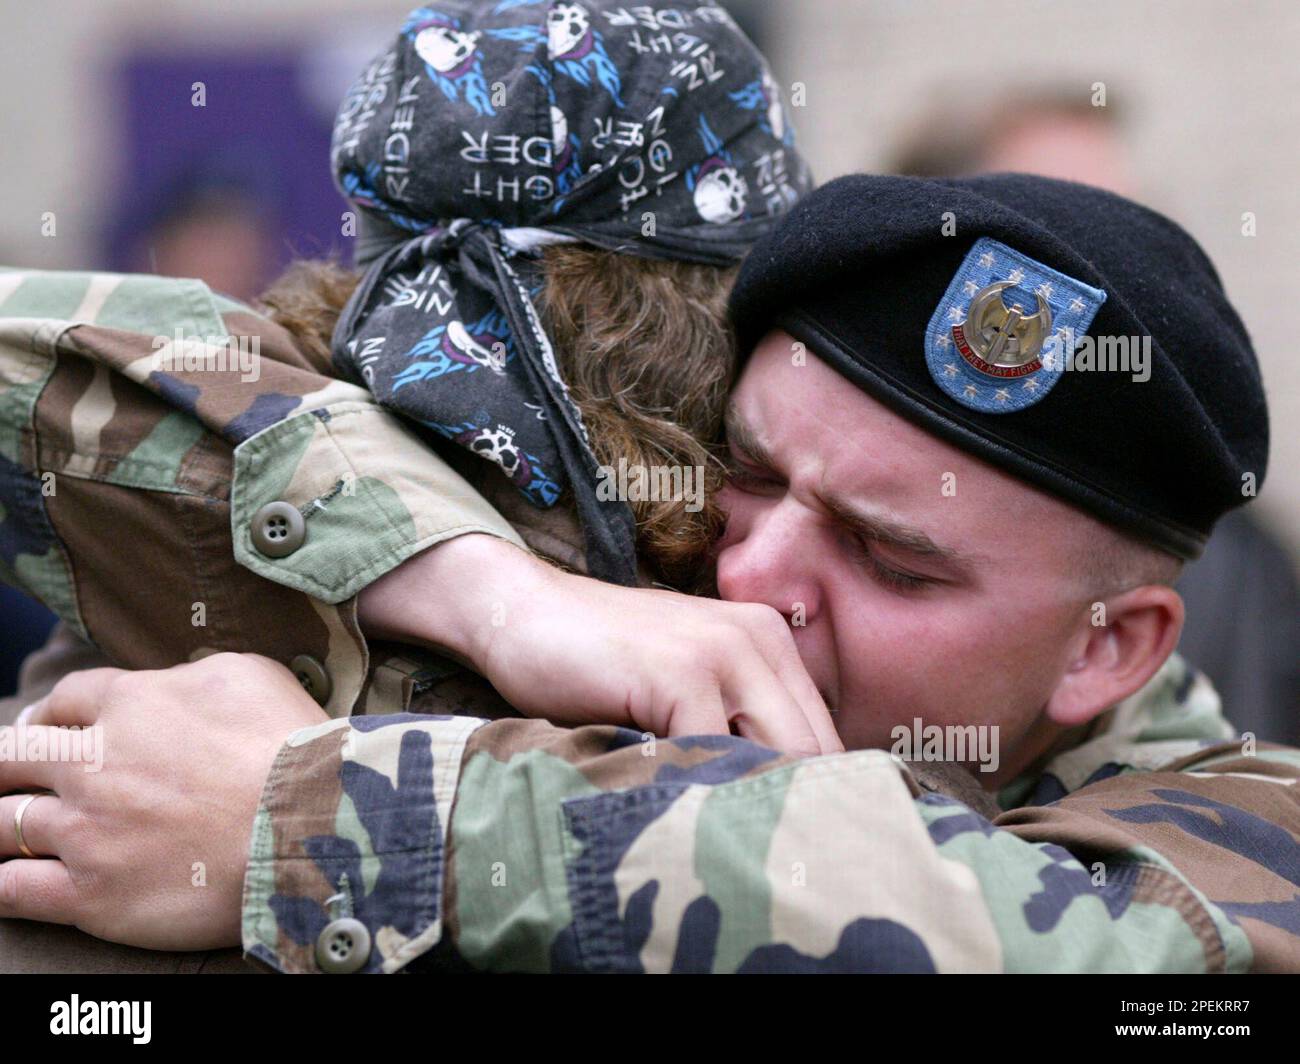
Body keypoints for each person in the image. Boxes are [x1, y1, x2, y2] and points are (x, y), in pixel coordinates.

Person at [4, 172, 1298, 972]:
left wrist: (317, 817)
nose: (752, 578)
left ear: (1107, 648)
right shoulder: (597, 593)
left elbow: (1040, 942)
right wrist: (479, 588)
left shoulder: (1247, 829)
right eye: (747, 471)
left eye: (893, 559)